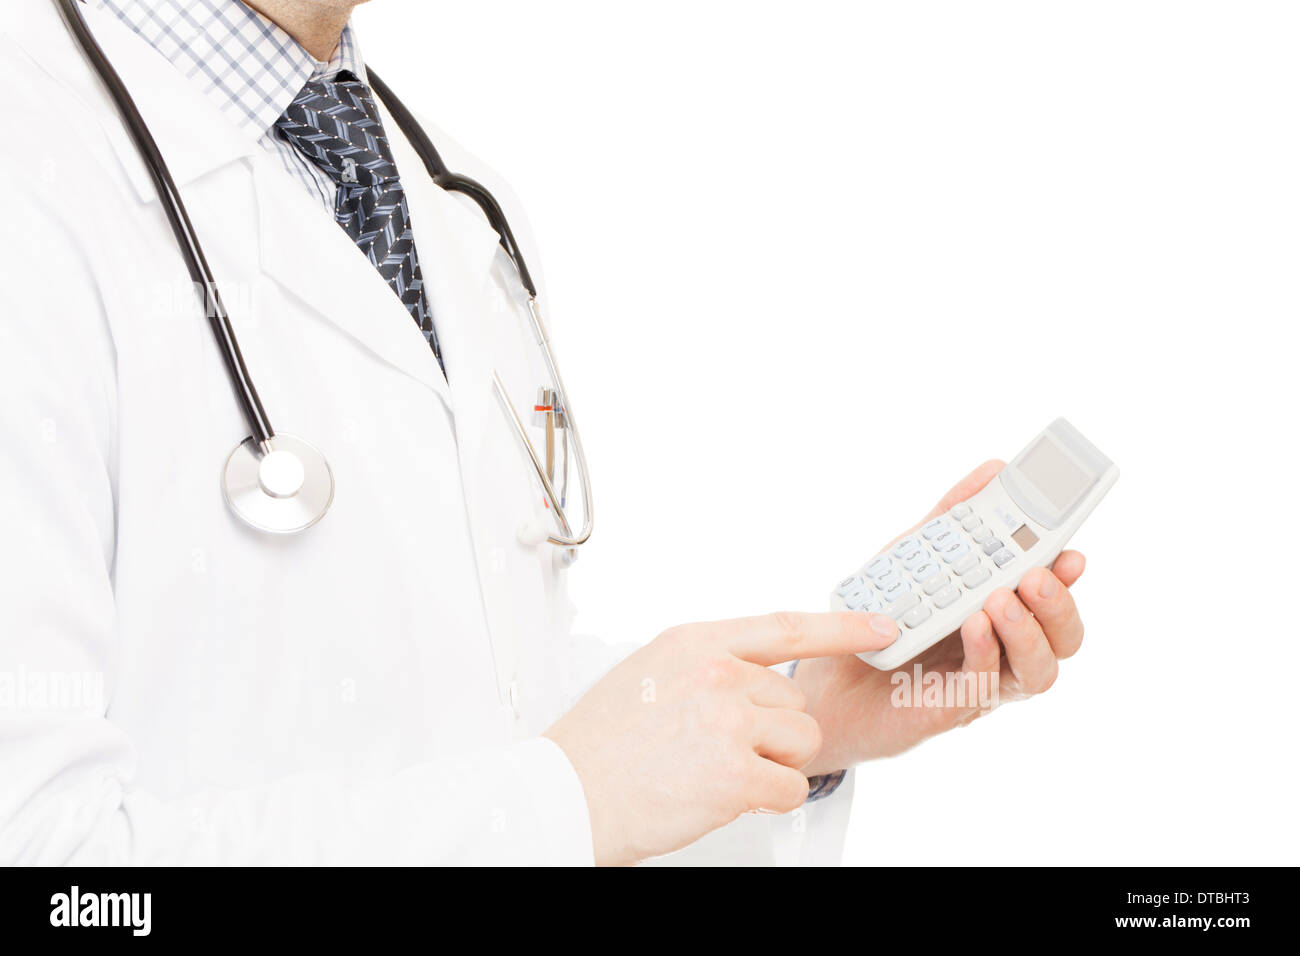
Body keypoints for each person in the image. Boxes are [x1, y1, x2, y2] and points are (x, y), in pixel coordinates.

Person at [0, 0, 1089, 866]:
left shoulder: (450, 197)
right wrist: (563, 802)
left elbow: (481, 700)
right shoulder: (31, 178)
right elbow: (50, 854)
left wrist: (800, 722)